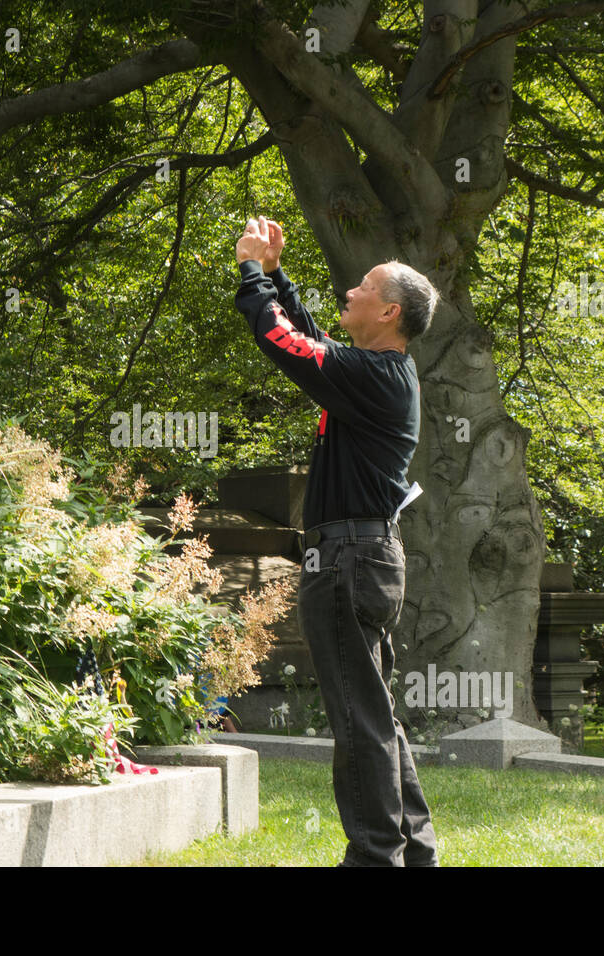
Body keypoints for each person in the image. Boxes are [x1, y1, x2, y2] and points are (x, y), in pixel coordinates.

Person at [233, 215, 439, 866]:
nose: (349, 291)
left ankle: (377, 858)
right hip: (361, 560)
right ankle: (414, 851)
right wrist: (275, 276)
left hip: (350, 563)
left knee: (359, 721)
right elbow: (315, 342)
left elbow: (284, 342)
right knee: (375, 716)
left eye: (362, 286)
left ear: (388, 311)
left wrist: (249, 276)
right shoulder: (373, 372)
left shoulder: (376, 377)